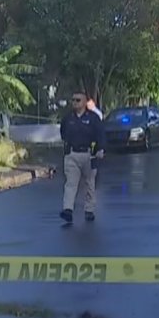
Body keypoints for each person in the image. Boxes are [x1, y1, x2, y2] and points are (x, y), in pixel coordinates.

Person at [59, 92, 105, 223]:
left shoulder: (93, 118)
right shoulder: (68, 118)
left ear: (85, 102)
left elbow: (101, 134)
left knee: (89, 184)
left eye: (78, 100)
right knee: (70, 184)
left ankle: (89, 210)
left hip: (89, 155)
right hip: (72, 154)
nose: (74, 102)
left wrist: (100, 149)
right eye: (73, 100)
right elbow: (63, 132)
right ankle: (67, 209)